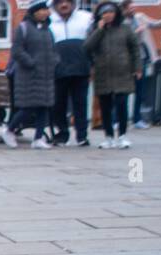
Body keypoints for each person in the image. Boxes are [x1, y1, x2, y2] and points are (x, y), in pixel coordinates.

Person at [86, 1, 141, 148]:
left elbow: (135, 48)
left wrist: (137, 67)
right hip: (103, 73)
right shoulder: (95, 30)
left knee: (122, 104)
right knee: (105, 107)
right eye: (104, 13)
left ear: (116, 13)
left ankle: (122, 135)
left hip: (122, 73)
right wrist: (99, 30)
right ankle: (108, 136)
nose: (108, 15)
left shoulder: (125, 29)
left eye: (110, 12)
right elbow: (87, 47)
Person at [4, 1, 57, 149]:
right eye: (43, 10)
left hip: (46, 75)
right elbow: (17, 51)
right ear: (34, 12)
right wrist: (31, 63)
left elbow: (53, 50)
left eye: (47, 10)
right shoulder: (23, 28)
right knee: (28, 107)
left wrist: (54, 62)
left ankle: (38, 138)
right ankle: (9, 129)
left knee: (43, 107)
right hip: (29, 75)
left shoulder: (48, 30)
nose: (46, 12)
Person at [50, 0, 93, 146]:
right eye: (60, 2)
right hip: (58, 70)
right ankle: (62, 133)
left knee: (80, 104)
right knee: (58, 104)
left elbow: (93, 43)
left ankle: (82, 135)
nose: (64, 5)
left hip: (80, 68)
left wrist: (92, 65)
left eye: (67, 1)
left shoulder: (86, 18)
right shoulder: (49, 21)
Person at [120, 0, 161, 127]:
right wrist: (136, 32)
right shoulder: (121, 22)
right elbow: (122, 39)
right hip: (125, 60)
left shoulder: (141, 18)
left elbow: (156, 24)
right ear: (125, 9)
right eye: (130, 8)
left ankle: (137, 119)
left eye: (134, 7)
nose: (133, 9)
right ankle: (118, 119)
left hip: (141, 58)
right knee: (123, 91)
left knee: (140, 90)